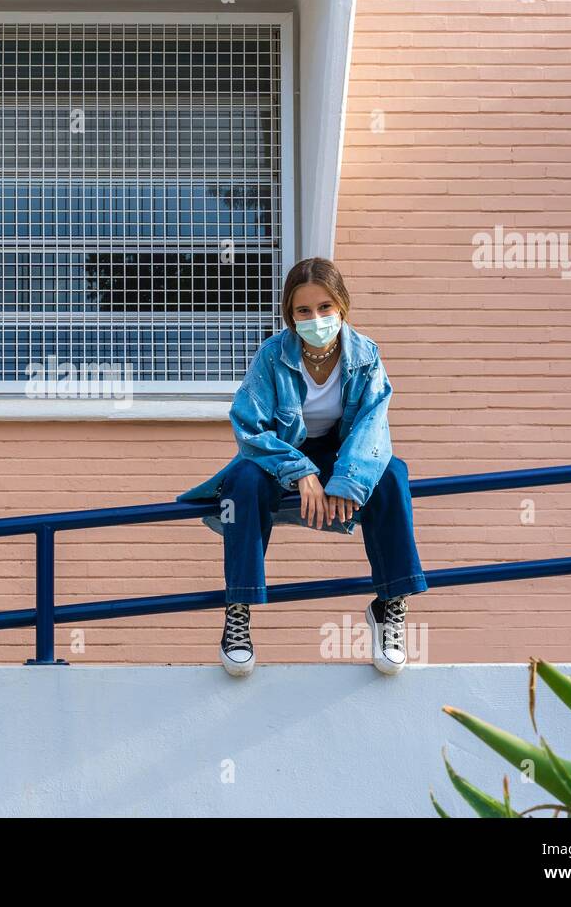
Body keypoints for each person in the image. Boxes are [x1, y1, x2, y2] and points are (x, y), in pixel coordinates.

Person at [178, 257, 428, 678]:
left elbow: (372, 427)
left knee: (391, 475)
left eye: (325, 307)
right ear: (290, 316)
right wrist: (301, 472)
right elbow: (249, 425)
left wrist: (347, 479)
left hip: (344, 450)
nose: (316, 318)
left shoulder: (365, 356)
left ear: (342, 307)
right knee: (241, 481)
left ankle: (389, 605)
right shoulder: (273, 356)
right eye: (304, 311)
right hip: (280, 452)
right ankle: (238, 611)